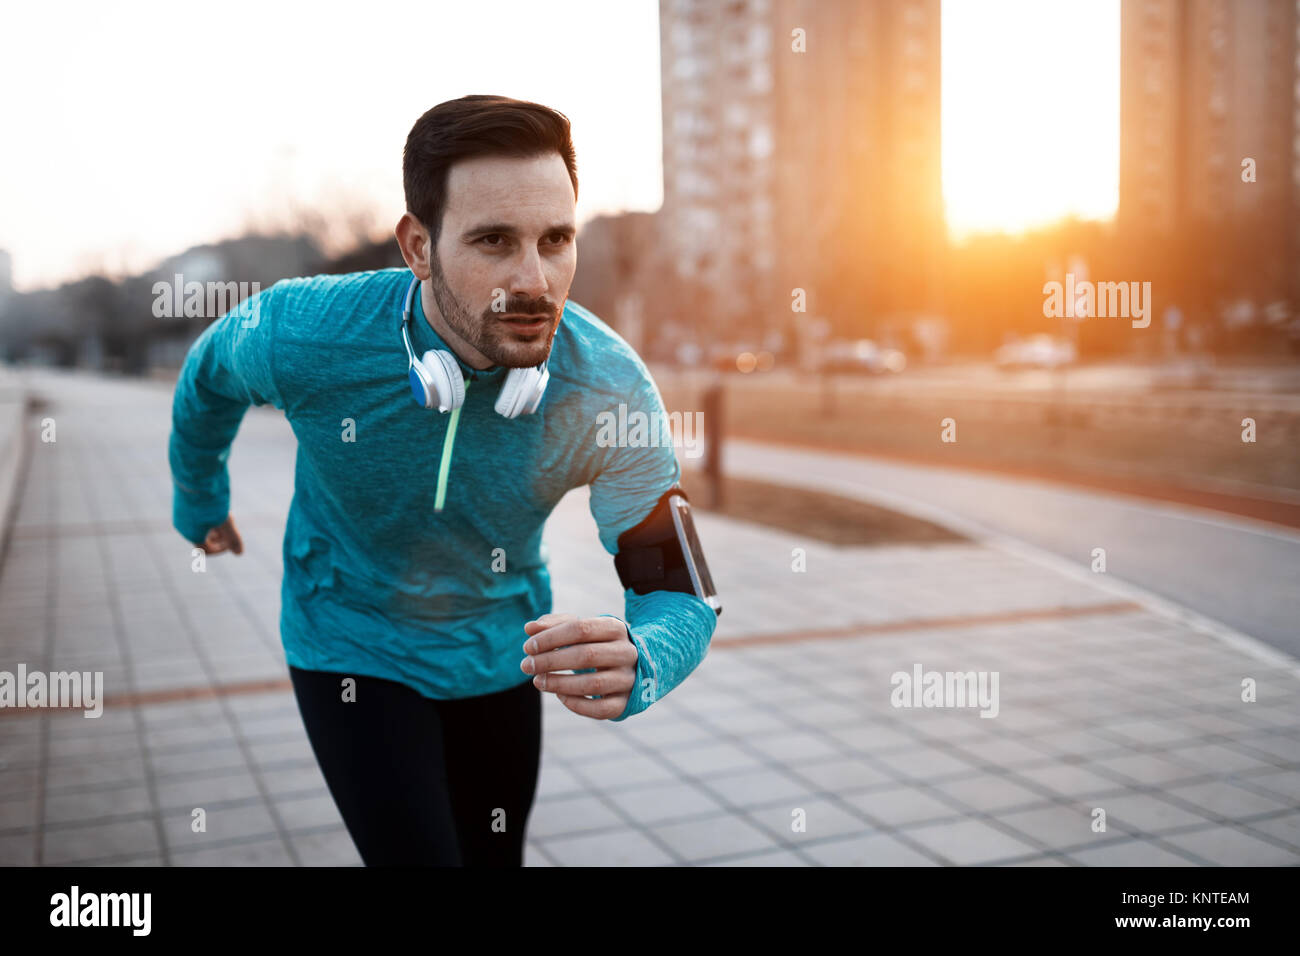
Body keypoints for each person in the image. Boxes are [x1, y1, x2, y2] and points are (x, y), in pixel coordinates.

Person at [168, 94, 720, 867]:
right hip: (349, 645)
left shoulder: (608, 391)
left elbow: (679, 589)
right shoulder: (302, 333)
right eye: (494, 240)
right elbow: (206, 381)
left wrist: (650, 654)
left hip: (499, 651)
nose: (535, 279)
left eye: (556, 240)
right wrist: (199, 497)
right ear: (418, 247)